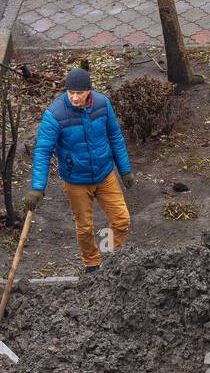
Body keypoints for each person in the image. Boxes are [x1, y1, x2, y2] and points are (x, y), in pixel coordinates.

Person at [23, 67, 133, 272]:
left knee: (121, 219)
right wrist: (38, 188)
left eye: (79, 93)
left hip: (104, 174)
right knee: (84, 228)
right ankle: (92, 264)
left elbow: (115, 136)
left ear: (89, 91)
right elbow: (43, 151)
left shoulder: (102, 104)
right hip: (75, 180)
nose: (74, 97)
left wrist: (125, 170)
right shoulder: (54, 115)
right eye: (70, 93)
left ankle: (110, 256)